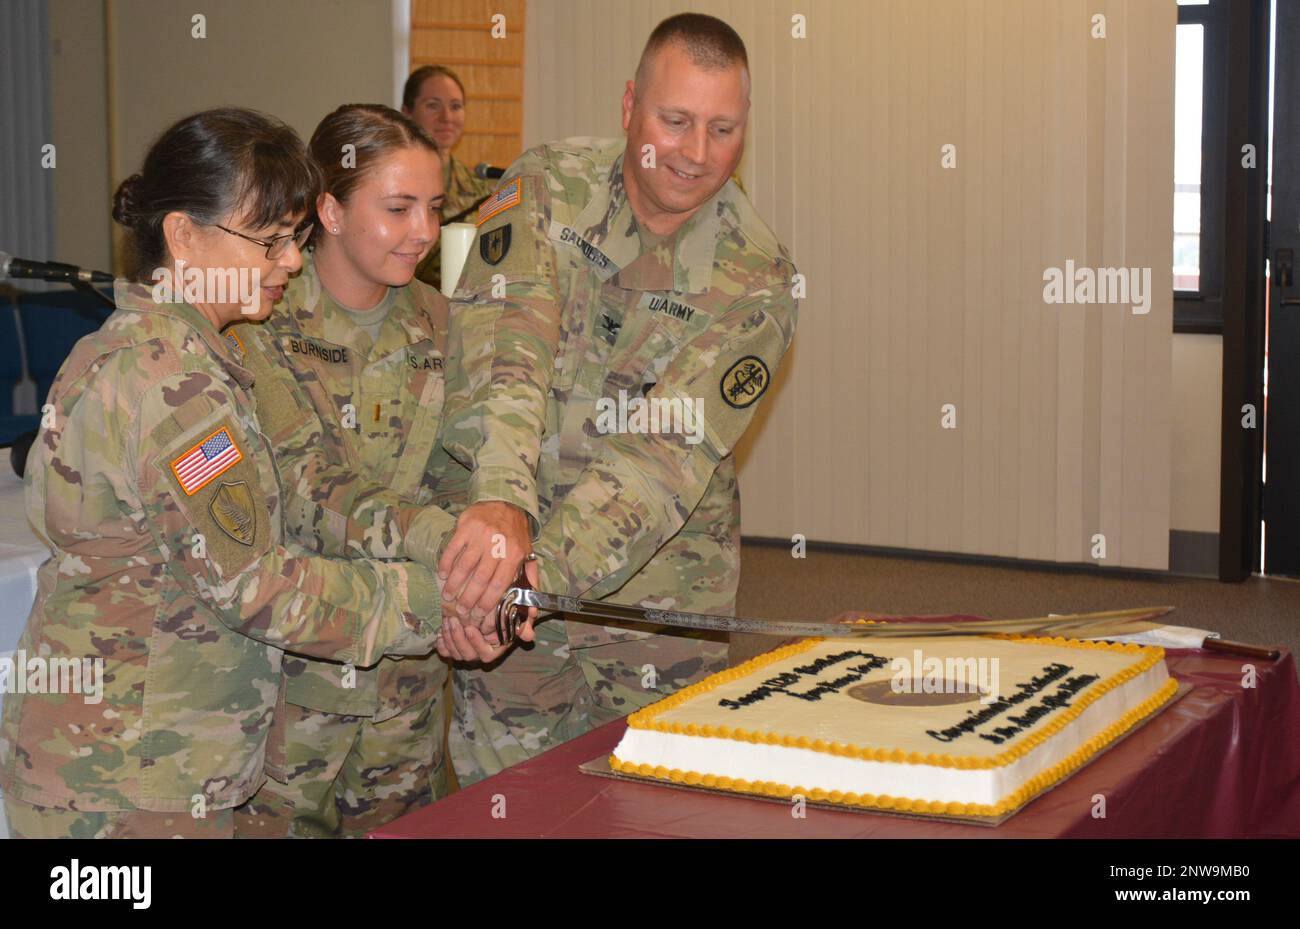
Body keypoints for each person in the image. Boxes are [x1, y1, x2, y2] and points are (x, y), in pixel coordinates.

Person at [0, 108, 447, 839]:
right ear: (182, 235)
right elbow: (257, 586)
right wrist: (431, 599)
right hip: (131, 787)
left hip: (113, 766)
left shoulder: (131, 347)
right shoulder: (177, 385)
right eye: (269, 242)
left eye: (296, 241)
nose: (292, 263)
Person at [436, 13, 799, 785]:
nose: (697, 154)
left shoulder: (757, 278)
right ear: (629, 104)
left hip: (653, 603)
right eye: (675, 121)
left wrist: (536, 576)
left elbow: (661, 458)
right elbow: (505, 352)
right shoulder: (544, 186)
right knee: (509, 802)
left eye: (723, 128)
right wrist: (502, 509)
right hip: (507, 552)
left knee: (654, 808)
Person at [229, 105, 520, 838]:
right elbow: (307, 489)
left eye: (433, 208)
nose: (423, 231)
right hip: (289, 684)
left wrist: (485, 577)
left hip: (407, 680)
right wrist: (453, 558)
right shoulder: (260, 322)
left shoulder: (442, 321)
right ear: (328, 209)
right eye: (397, 208)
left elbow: (469, 470)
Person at [402, 65, 497, 292]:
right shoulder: (389, 186)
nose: (447, 117)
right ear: (407, 113)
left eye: (456, 107)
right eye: (433, 105)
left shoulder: (484, 193)